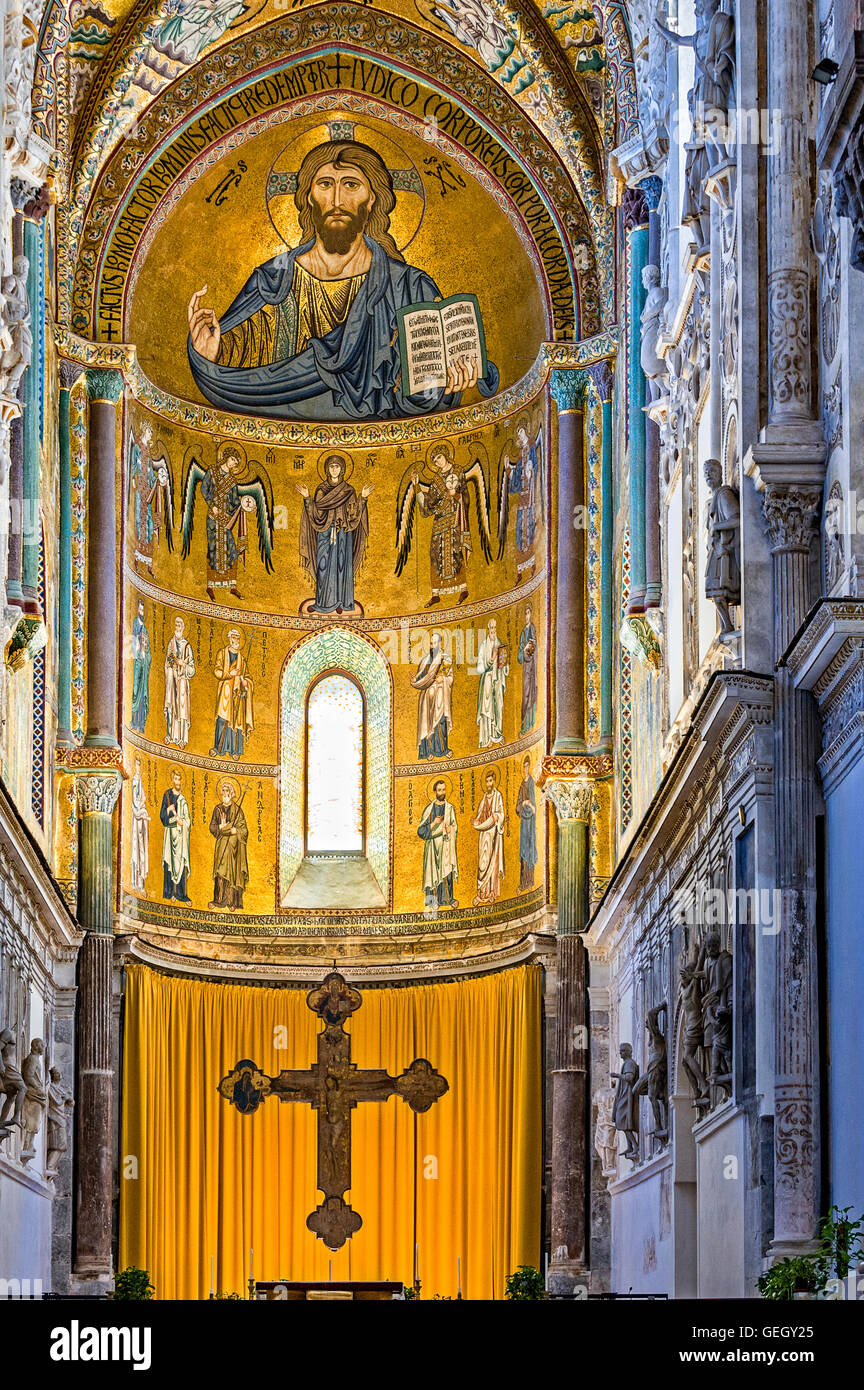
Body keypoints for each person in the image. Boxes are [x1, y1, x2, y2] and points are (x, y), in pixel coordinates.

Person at [187, 140, 497, 419]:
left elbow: (412, 399)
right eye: (324, 184)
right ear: (309, 197)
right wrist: (211, 353)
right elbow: (245, 361)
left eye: (351, 185)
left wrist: (447, 385)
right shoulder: (274, 280)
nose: (337, 199)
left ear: (373, 199)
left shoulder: (409, 287)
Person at [297, 455, 371, 614]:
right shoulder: (321, 489)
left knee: (342, 566)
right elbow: (316, 514)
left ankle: (342, 602)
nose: (334, 469)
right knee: (323, 566)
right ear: (327, 469)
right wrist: (307, 497)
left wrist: (363, 498)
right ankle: (323, 603)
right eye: (331, 466)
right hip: (325, 533)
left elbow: (354, 513)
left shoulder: (349, 490)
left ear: (342, 469)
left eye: (337, 466)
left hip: (343, 533)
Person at [417, 779, 459, 911]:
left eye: (444, 789)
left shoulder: (450, 808)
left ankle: (447, 899)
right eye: (439, 790)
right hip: (432, 846)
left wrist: (450, 830)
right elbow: (421, 831)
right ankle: (431, 901)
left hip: (445, 845)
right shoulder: (429, 809)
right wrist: (434, 823)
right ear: (435, 791)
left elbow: (454, 826)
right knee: (431, 873)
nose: (442, 792)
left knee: (446, 872)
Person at [411, 631, 454, 759]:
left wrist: (444, 680)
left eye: (435, 643)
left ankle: (442, 749)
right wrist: (415, 681)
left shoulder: (445, 659)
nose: (432, 646)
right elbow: (422, 678)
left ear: (439, 643)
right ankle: (428, 751)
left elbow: (451, 678)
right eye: (431, 643)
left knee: (440, 723)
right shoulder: (425, 661)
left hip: (441, 695)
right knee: (427, 723)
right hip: (427, 698)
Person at [211, 628, 253, 758]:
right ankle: (218, 749)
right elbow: (217, 671)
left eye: (238, 638)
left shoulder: (242, 658)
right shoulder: (222, 654)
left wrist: (246, 682)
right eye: (234, 637)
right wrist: (229, 674)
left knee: (236, 722)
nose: (236, 640)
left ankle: (235, 751)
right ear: (229, 638)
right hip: (226, 692)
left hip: (237, 693)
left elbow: (248, 676)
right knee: (222, 719)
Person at [208, 780, 249, 911]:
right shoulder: (217, 809)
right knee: (220, 872)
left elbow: (244, 830)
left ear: (232, 794)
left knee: (232, 874)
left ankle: (232, 903)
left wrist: (235, 830)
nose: (225, 796)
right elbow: (212, 826)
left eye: (227, 793)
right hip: (221, 846)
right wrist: (221, 826)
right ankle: (218, 900)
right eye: (223, 794)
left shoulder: (238, 810)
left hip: (233, 849)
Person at [473, 770, 505, 905]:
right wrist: (476, 821)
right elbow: (480, 815)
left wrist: (497, 817)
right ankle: (482, 893)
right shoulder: (484, 798)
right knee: (483, 863)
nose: (488, 784)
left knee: (493, 861)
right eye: (487, 781)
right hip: (483, 834)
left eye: (491, 781)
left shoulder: (498, 796)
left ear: (494, 781)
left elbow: (501, 813)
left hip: (493, 833)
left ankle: (491, 893)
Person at [475, 616, 507, 747]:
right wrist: (492, 658)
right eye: (491, 627)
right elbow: (479, 668)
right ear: (488, 629)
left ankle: (496, 733)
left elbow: (503, 663)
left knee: (498, 706)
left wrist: (504, 663)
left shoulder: (498, 642)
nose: (493, 630)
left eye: (495, 627)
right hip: (488, 680)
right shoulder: (484, 645)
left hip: (498, 679)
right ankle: (488, 737)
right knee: (487, 709)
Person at [160, 768, 191, 902]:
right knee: (169, 863)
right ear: (172, 779)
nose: (178, 782)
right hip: (170, 834)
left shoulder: (183, 800)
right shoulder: (167, 796)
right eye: (176, 779)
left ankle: (181, 894)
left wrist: (181, 821)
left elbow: (188, 820)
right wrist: (168, 810)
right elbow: (162, 817)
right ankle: (169, 893)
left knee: (181, 863)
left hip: (180, 837)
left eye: (180, 779)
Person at [515, 755, 537, 891]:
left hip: (531, 823)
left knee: (530, 848)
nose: (526, 768)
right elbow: (518, 805)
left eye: (528, 766)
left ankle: (531, 881)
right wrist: (524, 803)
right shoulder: (522, 784)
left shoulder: (532, 783)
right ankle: (523, 882)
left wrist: (530, 804)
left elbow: (535, 805)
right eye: (524, 766)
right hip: (524, 821)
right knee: (523, 849)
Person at [130, 600, 151, 733]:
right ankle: (133, 721)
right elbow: (132, 642)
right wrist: (138, 651)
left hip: (143, 665)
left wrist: (145, 655)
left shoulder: (146, 630)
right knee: (135, 691)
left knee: (143, 694)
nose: (141, 612)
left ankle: (141, 724)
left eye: (143, 610)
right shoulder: (135, 624)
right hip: (137, 664)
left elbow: (148, 651)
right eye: (140, 610)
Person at [516, 604, 537, 734]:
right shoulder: (523, 632)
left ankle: (531, 723)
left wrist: (531, 649)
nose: (527, 616)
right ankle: (524, 723)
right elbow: (519, 654)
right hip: (526, 669)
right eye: (525, 613)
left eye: (529, 613)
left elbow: (536, 646)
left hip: (533, 668)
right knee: (526, 694)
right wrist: (523, 652)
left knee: (532, 693)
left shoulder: (533, 629)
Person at [130, 756, 150, 892]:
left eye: (139, 764)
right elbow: (134, 802)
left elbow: (141, 799)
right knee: (136, 853)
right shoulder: (135, 782)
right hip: (136, 824)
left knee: (142, 853)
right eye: (136, 764)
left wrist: (142, 809)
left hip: (141, 824)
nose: (138, 767)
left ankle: (140, 882)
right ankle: (134, 881)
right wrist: (141, 811)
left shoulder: (140, 781)